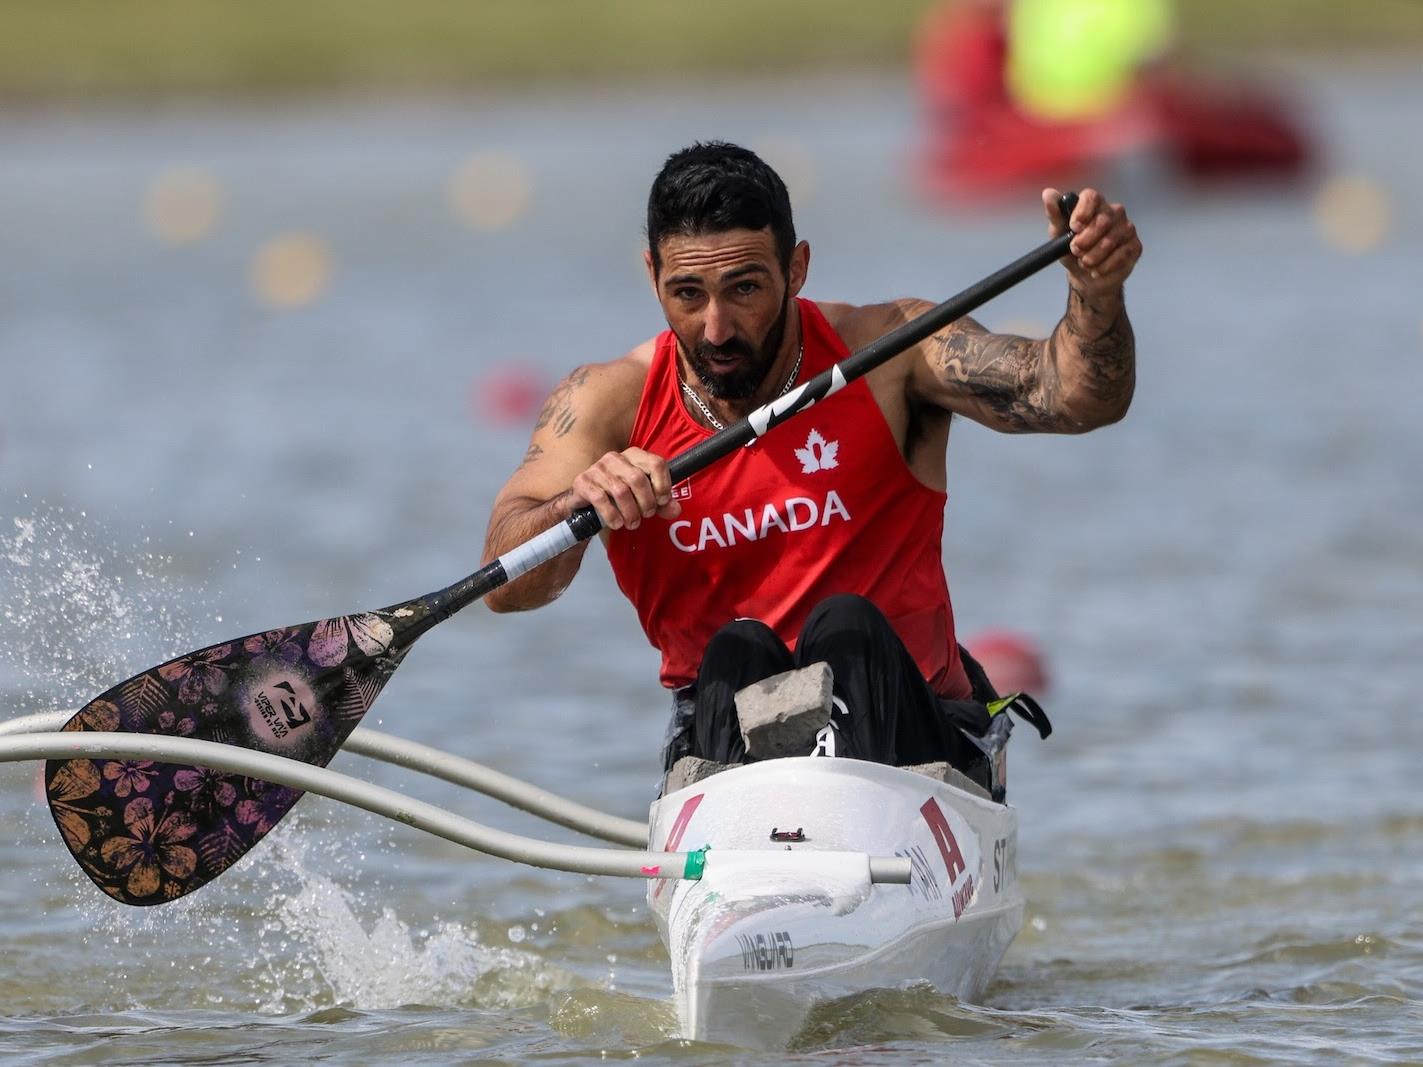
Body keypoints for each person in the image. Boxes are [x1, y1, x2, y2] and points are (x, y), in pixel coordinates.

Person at [482, 141, 1139, 787]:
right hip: (728, 751)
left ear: (796, 269)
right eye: (687, 293)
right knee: (737, 649)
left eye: (744, 288)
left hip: (917, 744)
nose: (715, 327)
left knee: (843, 627)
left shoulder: (891, 351)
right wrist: (581, 504)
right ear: (652, 275)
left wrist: (1096, 294)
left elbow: (1074, 396)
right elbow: (504, 586)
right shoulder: (605, 402)